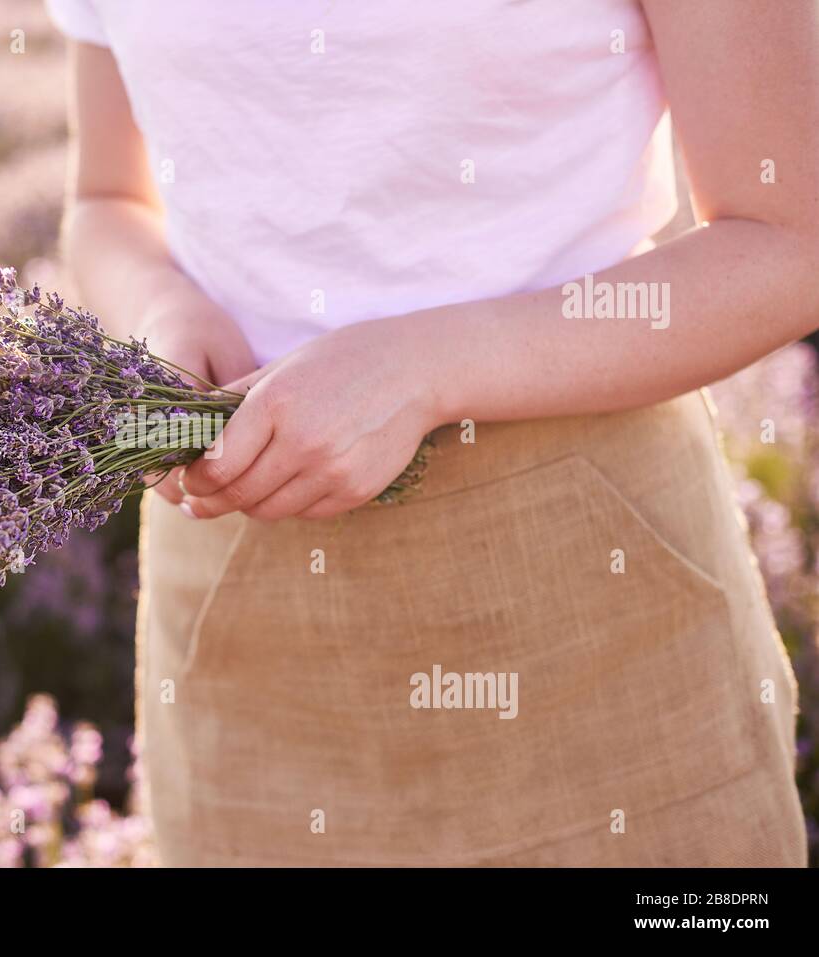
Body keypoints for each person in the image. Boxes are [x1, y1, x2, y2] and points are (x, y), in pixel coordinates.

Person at [47, 0, 815, 866]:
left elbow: (788, 238)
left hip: (592, 595)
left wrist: (423, 369)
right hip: (239, 607)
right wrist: (160, 311)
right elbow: (107, 200)